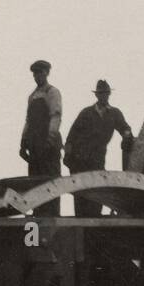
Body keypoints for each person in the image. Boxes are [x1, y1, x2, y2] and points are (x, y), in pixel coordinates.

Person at [63, 80, 134, 217]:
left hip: (97, 158)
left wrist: (127, 137)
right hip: (79, 159)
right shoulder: (86, 113)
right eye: (100, 93)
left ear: (109, 94)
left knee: (97, 193)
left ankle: (93, 225)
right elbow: (71, 137)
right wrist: (67, 155)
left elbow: (125, 128)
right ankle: (82, 224)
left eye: (105, 93)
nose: (103, 96)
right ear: (97, 95)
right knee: (81, 195)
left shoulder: (114, 113)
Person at [19, 59, 63, 216]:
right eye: (35, 73)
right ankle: (38, 213)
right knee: (35, 182)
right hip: (35, 145)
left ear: (47, 73)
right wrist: (23, 143)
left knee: (51, 181)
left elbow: (56, 115)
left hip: (48, 146)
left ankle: (51, 214)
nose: (37, 76)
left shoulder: (52, 92)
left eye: (40, 72)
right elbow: (28, 121)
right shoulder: (32, 96)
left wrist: (50, 139)